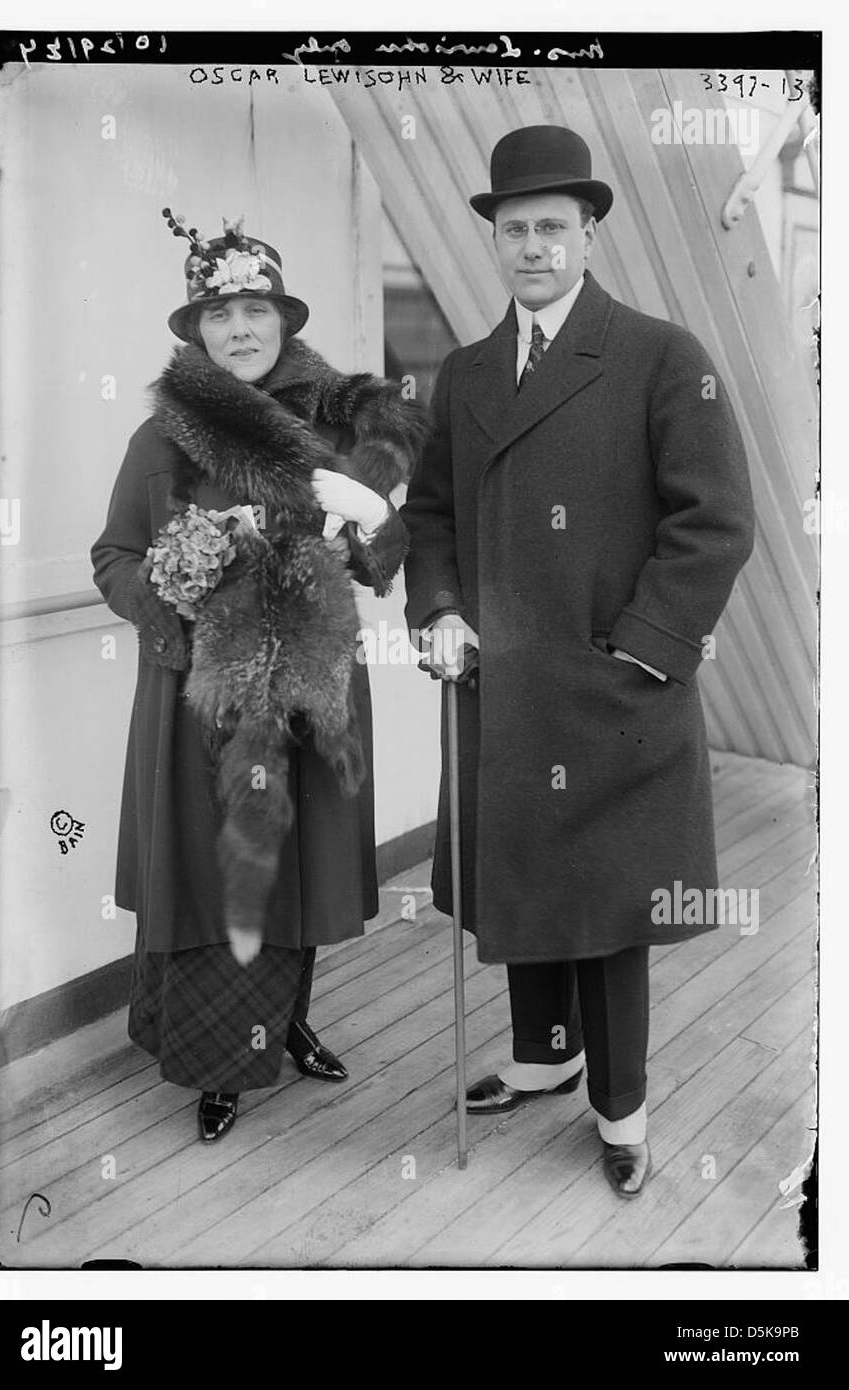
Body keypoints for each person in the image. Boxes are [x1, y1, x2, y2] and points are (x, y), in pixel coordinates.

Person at [402, 126, 755, 1197]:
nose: (533, 247)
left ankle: (620, 1107)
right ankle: (541, 1057)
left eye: (553, 227)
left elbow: (715, 523)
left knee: (604, 909)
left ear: (588, 234)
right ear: (494, 241)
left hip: (612, 688)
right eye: (514, 229)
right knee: (522, 881)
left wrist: (641, 655)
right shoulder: (462, 374)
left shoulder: (660, 355)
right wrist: (439, 609)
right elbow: (427, 515)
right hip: (498, 684)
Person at [92, 211, 427, 1142]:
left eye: (255, 309)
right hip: (201, 694)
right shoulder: (163, 436)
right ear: (196, 330)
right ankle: (219, 1064)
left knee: (296, 862)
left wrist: (369, 528)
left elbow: (384, 548)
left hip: (311, 681)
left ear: (283, 319)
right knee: (218, 872)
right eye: (219, 313)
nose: (239, 328)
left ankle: (284, 1021)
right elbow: (113, 557)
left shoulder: (340, 428)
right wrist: (174, 590)